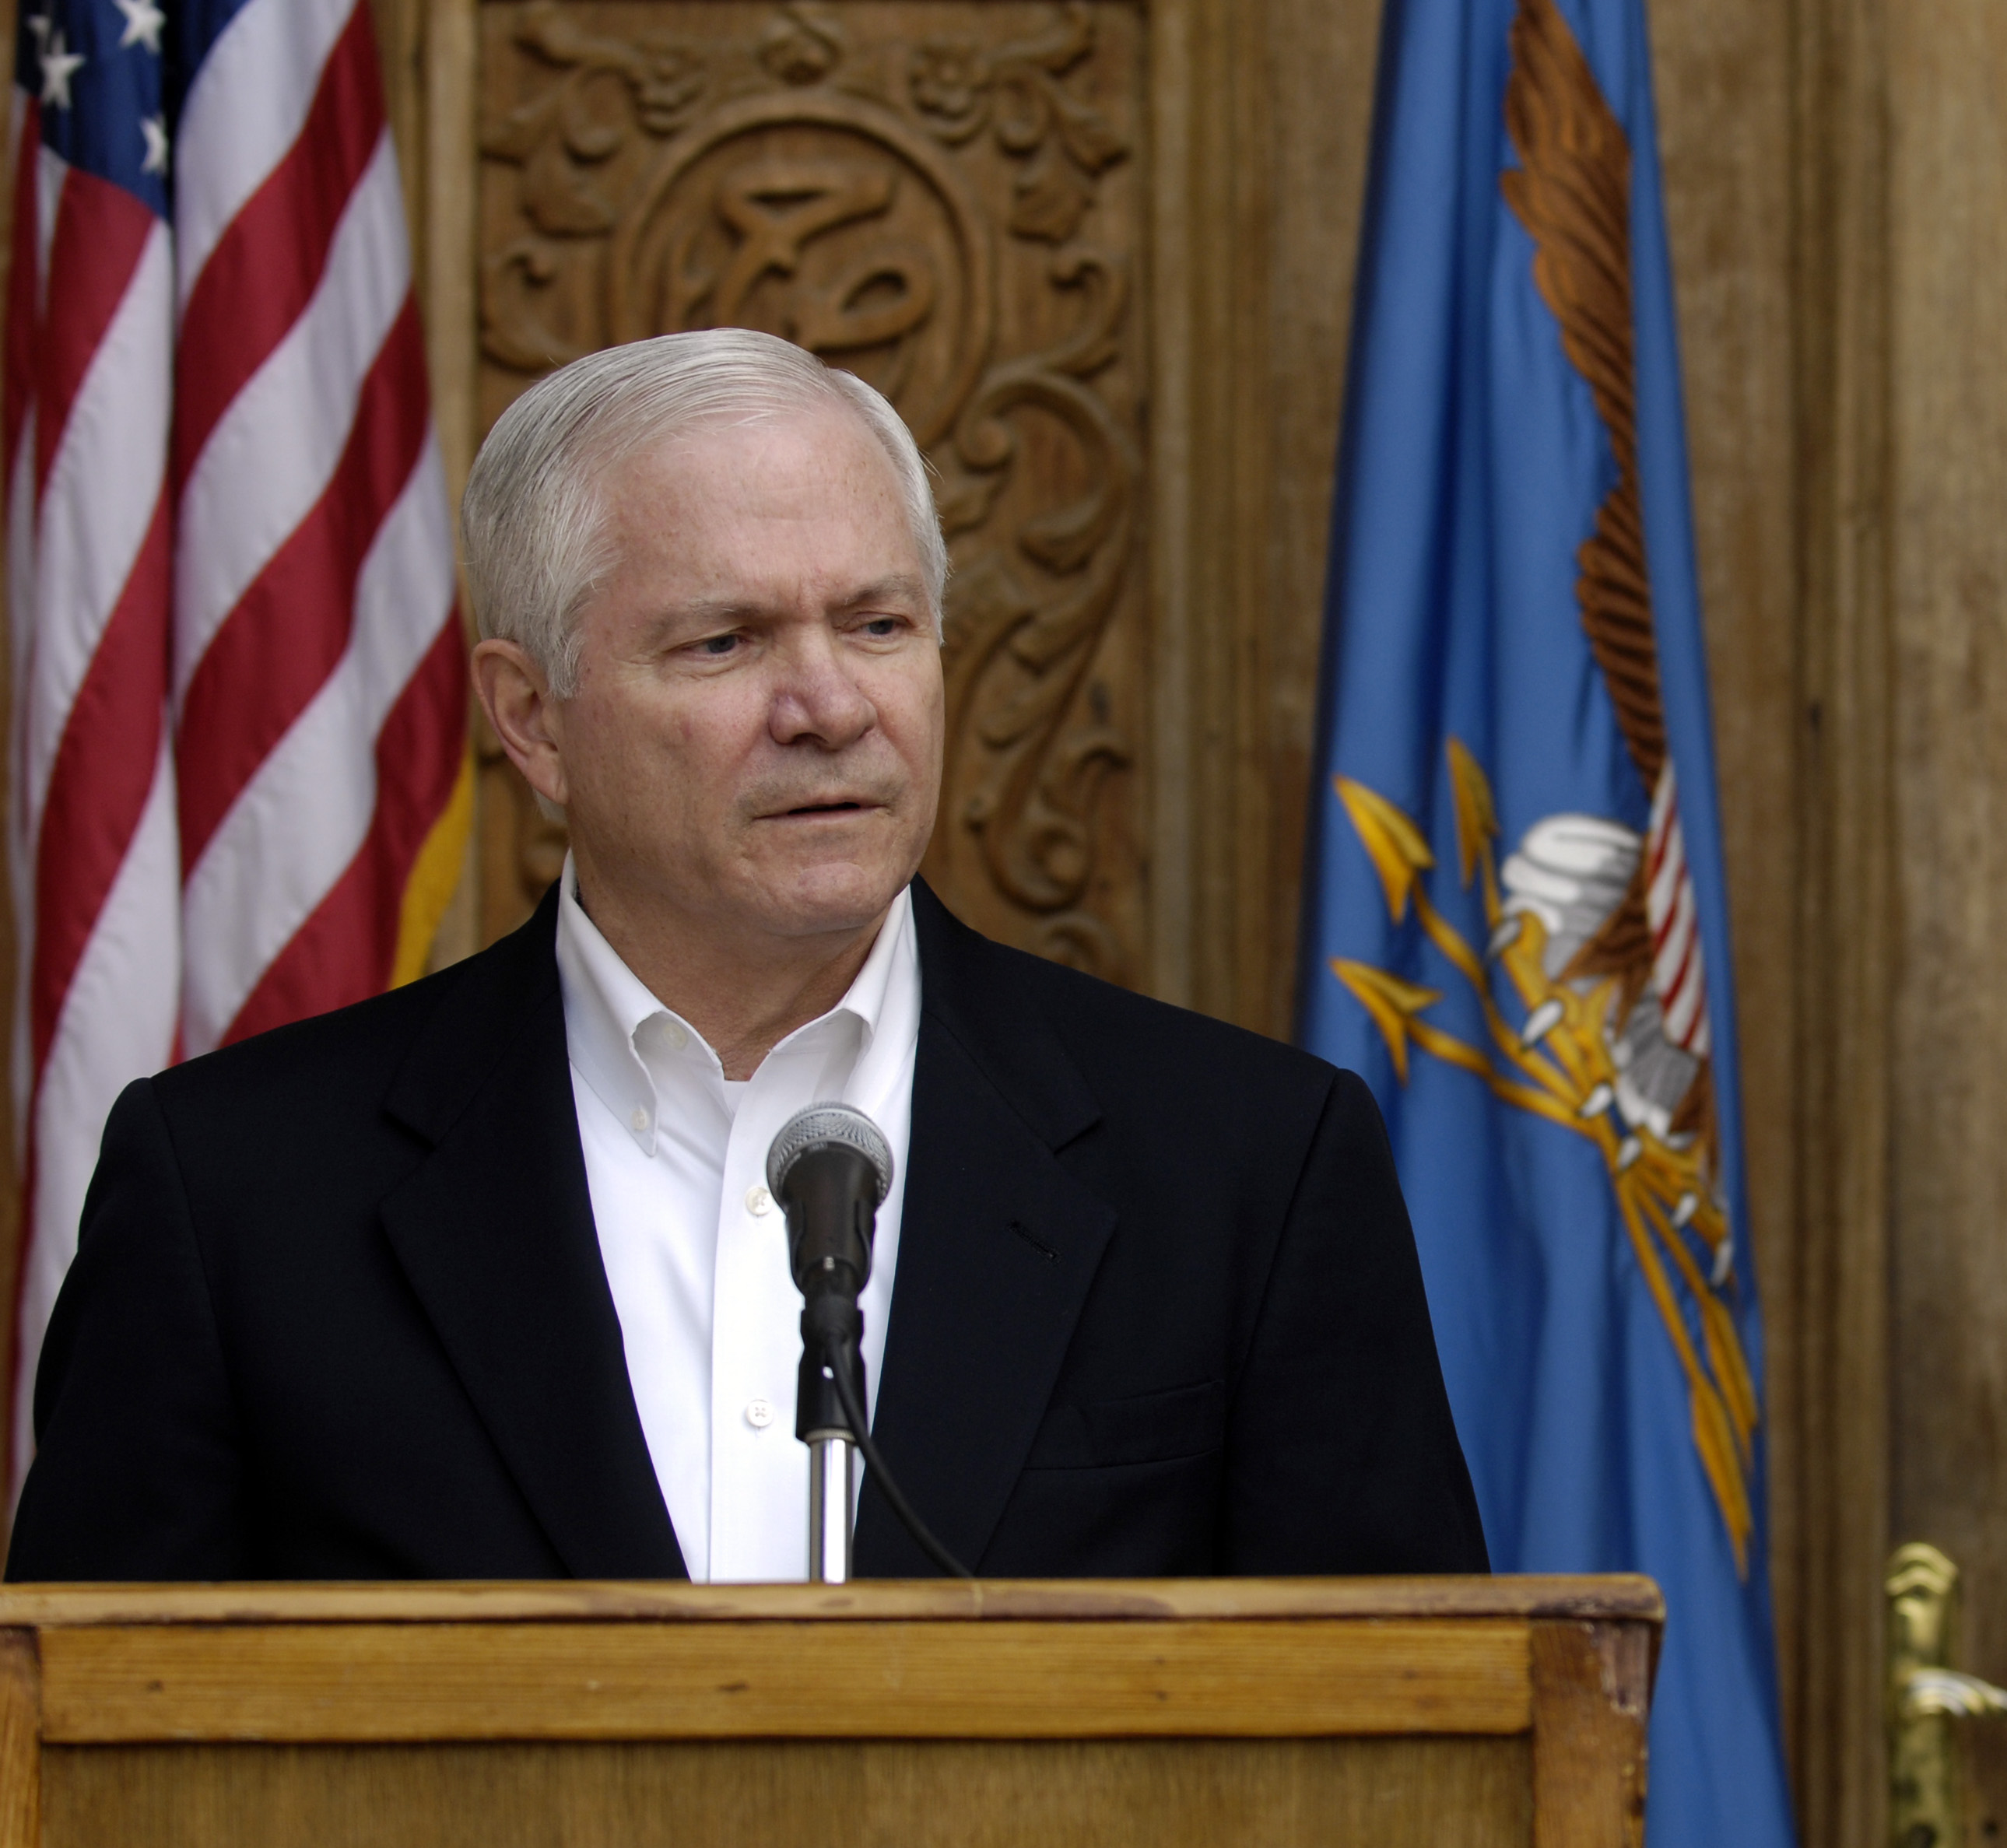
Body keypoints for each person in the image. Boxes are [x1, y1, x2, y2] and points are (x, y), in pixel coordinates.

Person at [6, 329, 1488, 1584]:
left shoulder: (1247, 1166)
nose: (830, 704)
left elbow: (1411, 1777)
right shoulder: (239, 1195)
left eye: (880, 622)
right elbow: (82, 1797)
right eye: (725, 643)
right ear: (532, 721)